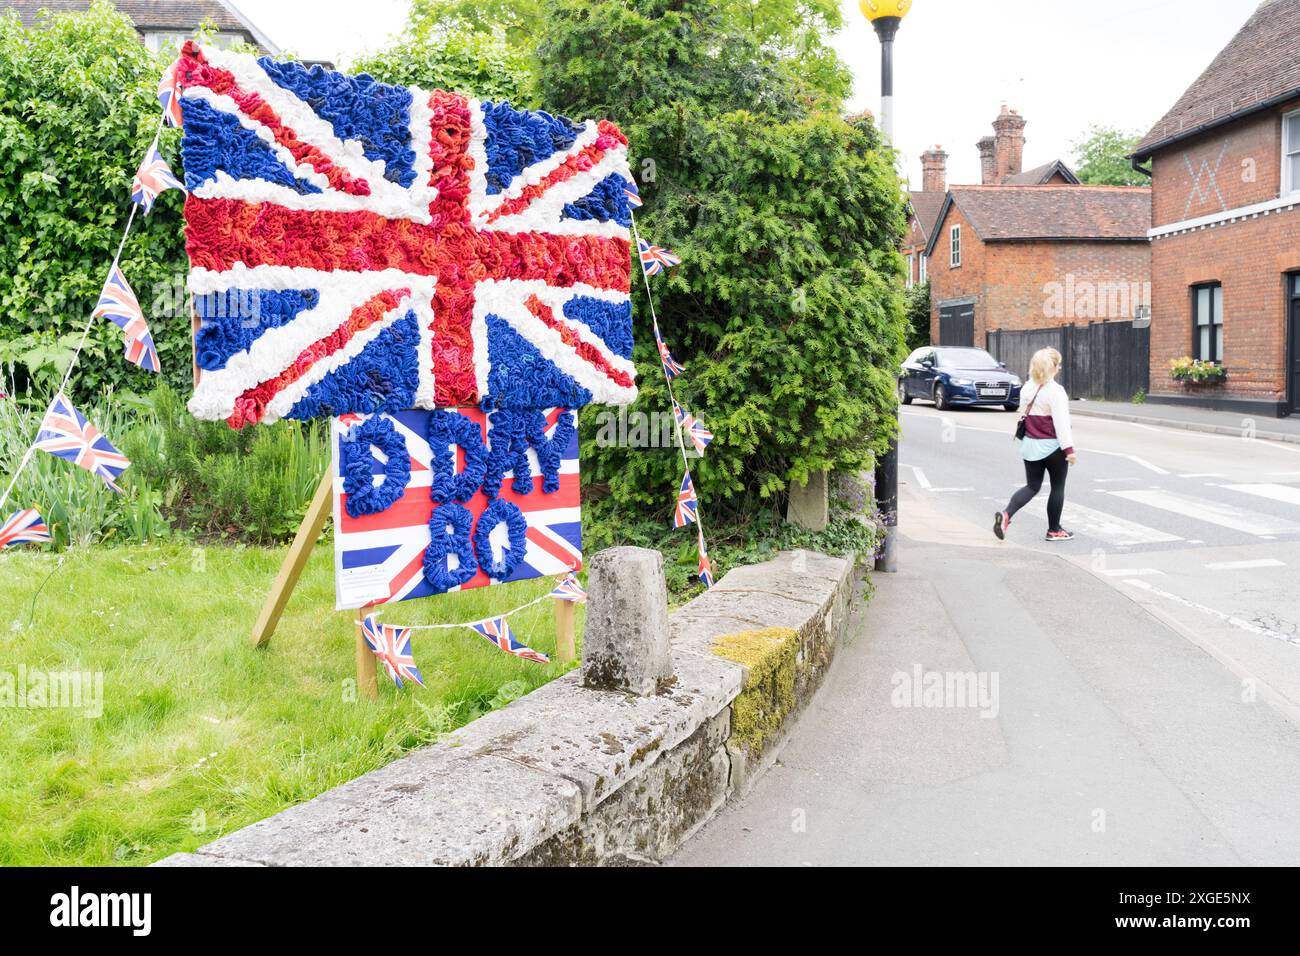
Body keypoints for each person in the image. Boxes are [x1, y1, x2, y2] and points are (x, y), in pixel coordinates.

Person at [994, 347, 1077, 542]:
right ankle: (1054, 530)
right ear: (1054, 367)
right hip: (1053, 447)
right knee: (1057, 487)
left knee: (1032, 486)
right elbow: (1061, 424)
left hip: (1030, 445)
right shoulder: (1056, 391)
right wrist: (1070, 450)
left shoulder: (1027, 388)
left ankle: (1006, 515)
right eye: (1059, 365)